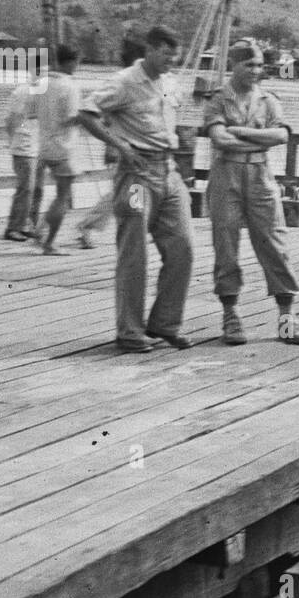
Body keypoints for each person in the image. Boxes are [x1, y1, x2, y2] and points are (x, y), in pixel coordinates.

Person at [78, 26, 195, 353]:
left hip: (168, 171)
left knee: (183, 247)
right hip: (136, 174)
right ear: (151, 49)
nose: (173, 59)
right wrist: (120, 146)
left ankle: (164, 324)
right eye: (167, 53)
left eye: (176, 54)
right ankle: (129, 332)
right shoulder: (125, 81)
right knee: (134, 255)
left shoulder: (170, 83)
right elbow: (86, 113)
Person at [204, 39, 299, 346]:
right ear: (233, 65)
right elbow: (219, 139)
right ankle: (230, 316)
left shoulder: (269, 99)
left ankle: (287, 319)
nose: (255, 70)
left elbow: (281, 135)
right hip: (227, 175)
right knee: (226, 245)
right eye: (248, 64)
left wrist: (240, 131)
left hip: (261, 176)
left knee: (275, 244)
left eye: (260, 65)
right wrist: (259, 140)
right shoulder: (218, 99)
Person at [75, 36, 144, 248]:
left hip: (130, 149)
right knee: (124, 192)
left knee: (127, 191)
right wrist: (113, 147)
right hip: (123, 148)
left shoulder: (135, 83)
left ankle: (131, 227)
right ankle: (91, 226)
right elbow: (104, 118)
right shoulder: (124, 83)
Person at [34, 44, 83, 256]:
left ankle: (41, 228)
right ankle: (49, 243)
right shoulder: (69, 86)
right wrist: (86, 116)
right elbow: (70, 117)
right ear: (71, 62)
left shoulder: (42, 82)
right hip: (63, 147)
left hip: (44, 146)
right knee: (63, 197)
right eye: (77, 62)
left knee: (58, 197)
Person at [4, 69, 42, 243]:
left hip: (38, 147)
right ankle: (13, 228)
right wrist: (13, 141)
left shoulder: (44, 93)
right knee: (25, 189)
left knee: (35, 190)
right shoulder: (22, 92)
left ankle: (27, 225)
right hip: (23, 147)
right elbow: (12, 120)